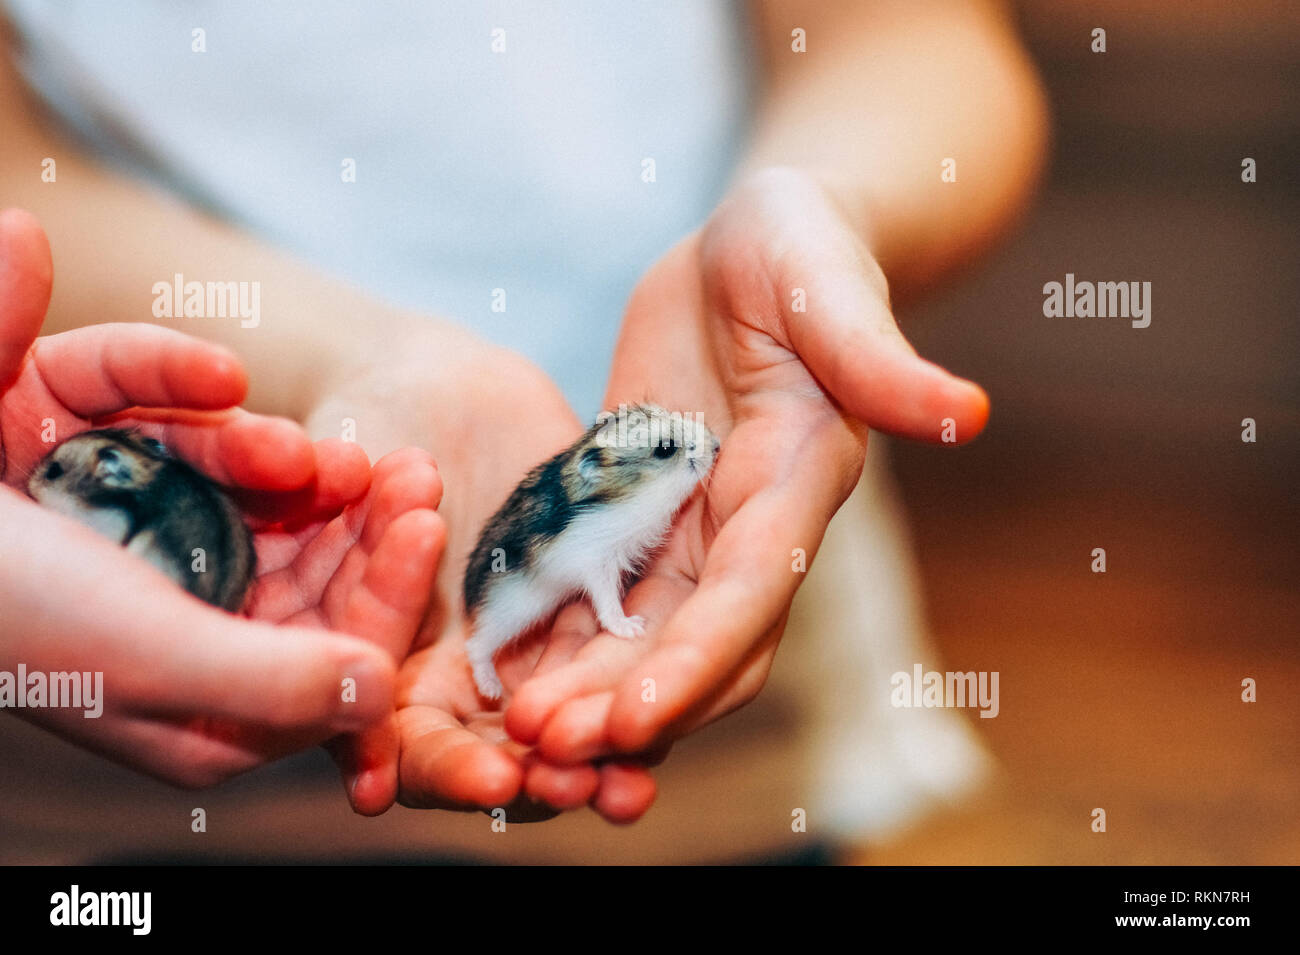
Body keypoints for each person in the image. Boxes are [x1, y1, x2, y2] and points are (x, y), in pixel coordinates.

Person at [0, 1, 1047, 854]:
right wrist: (351, 359)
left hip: (744, 743)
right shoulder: (600, 515)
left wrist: (825, 203)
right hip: (99, 792)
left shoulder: (651, 500)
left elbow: (915, 37)